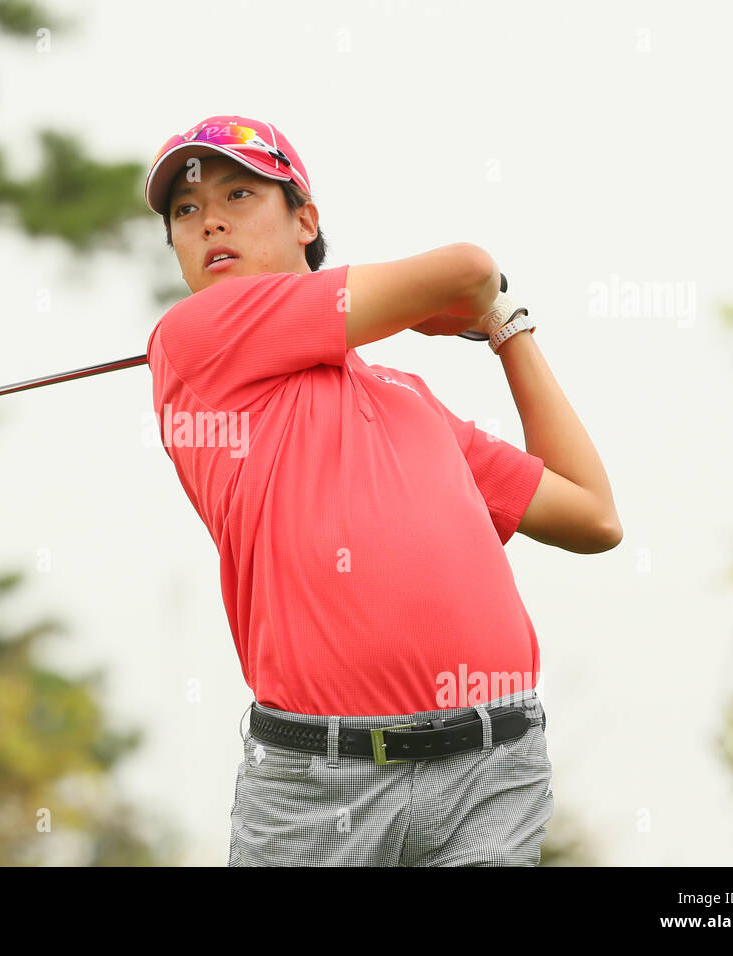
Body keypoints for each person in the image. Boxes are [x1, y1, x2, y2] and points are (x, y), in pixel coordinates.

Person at [142, 115, 622, 866]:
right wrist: (459, 299)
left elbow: (593, 516)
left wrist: (506, 325)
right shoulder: (195, 337)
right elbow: (467, 266)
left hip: (490, 769)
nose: (209, 222)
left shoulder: (411, 399)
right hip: (315, 786)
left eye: (238, 194)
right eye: (186, 210)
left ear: (306, 220)